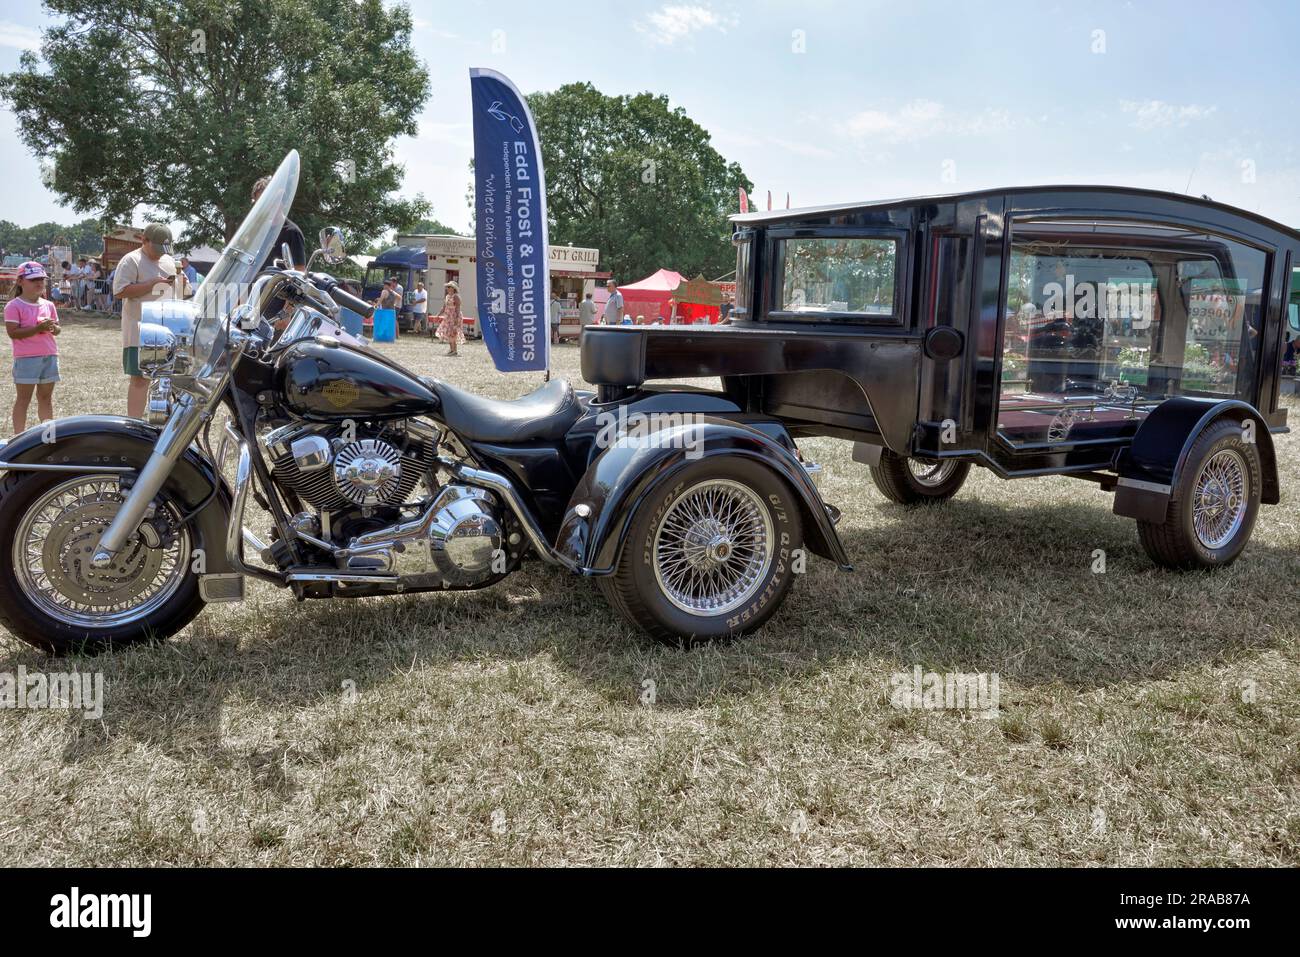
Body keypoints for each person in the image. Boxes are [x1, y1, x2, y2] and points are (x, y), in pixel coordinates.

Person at [113, 223, 178, 418]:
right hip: (139, 331)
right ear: (143, 240)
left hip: (167, 331)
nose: (160, 254)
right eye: (157, 248)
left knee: (166, 379)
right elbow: (120, 291)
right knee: (140, 380)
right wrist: (151, 284)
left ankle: (160, 423)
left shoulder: (169, 260)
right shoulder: (131, 260)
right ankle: (134, 423)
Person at [5, 261, 61, 434]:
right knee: (24, 399)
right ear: (20, 281)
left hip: (49, 357)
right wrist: (38, 328)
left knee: (46, 398)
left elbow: (57, 329)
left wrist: (53, 328)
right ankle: (18, 437)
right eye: (33, 279)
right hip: (26, 359)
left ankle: (48, 437)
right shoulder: (14, 306)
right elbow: (13, 332)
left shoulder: (48, 305)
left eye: (41, 279)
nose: (39, 283)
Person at [251, 175, 306, 272]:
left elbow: (299, 273)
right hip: (258, 286)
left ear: (278, 199)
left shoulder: (293, 232)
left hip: (280, 287)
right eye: (259, 204)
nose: (262, 207)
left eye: (266, 201)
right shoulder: (258, 231)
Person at [434, 280, 464, 357]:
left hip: (454, 316)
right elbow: (444, 307)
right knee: (448, 333)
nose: (448, 288)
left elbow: (457, 308)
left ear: (453, 288)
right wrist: (438, 315)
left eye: (449, 287)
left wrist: (456, 319)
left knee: (453, 333)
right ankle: (451, 349)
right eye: (447, 287)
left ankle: (454, 350)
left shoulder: (456, 296)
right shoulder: (447, 296)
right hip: (448, 317)